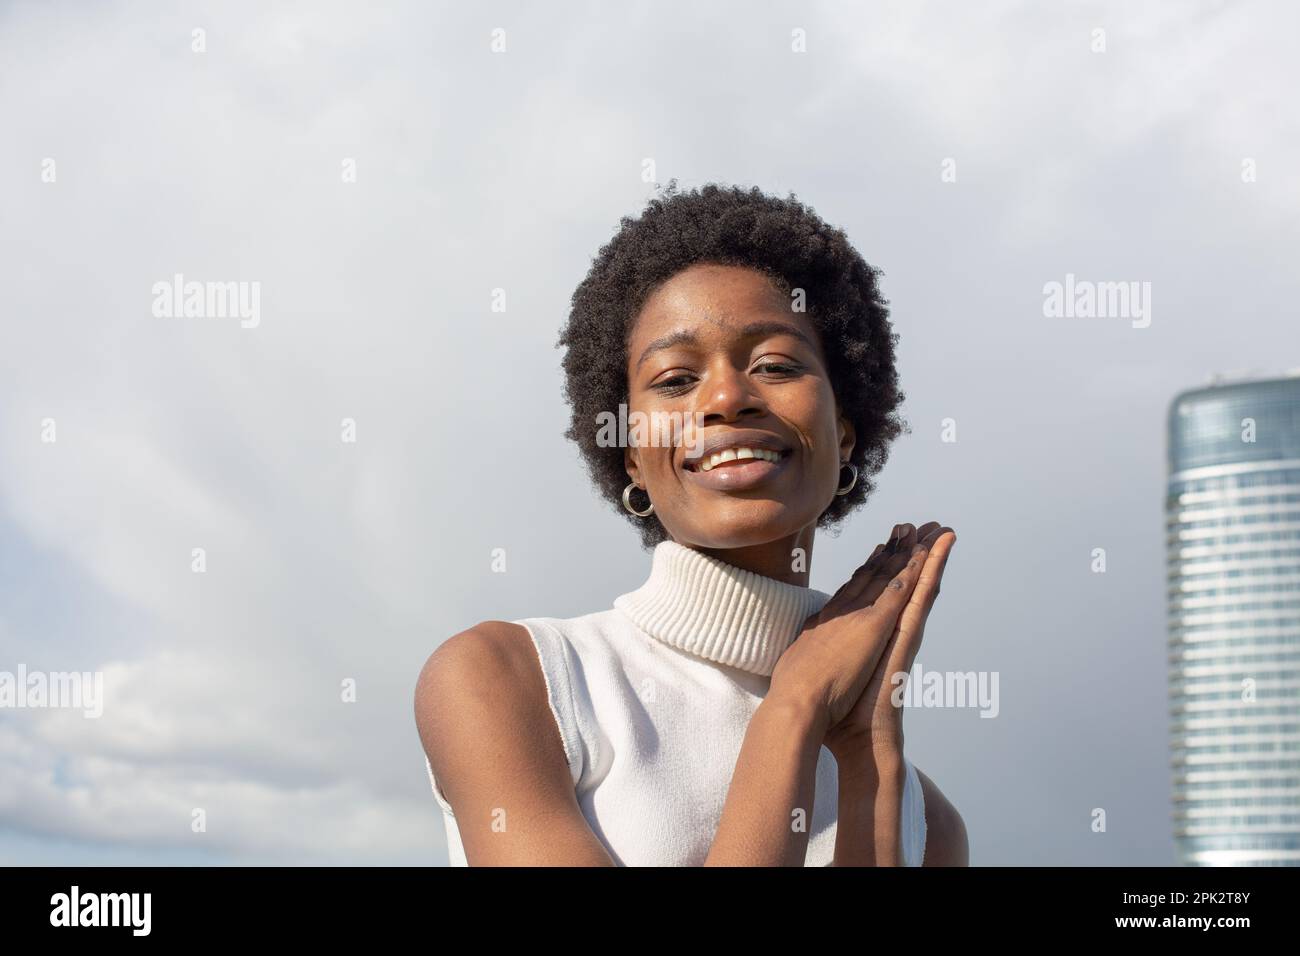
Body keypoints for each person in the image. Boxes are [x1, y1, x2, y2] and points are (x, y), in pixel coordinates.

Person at [414, 181, 967, 865]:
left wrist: (866, 756)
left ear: (846, 432)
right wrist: (792, 710)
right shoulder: (513, 681)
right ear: (632, 461)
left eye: (775, 364)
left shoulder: (929, 823)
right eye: (675, 380)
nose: (728, 397)